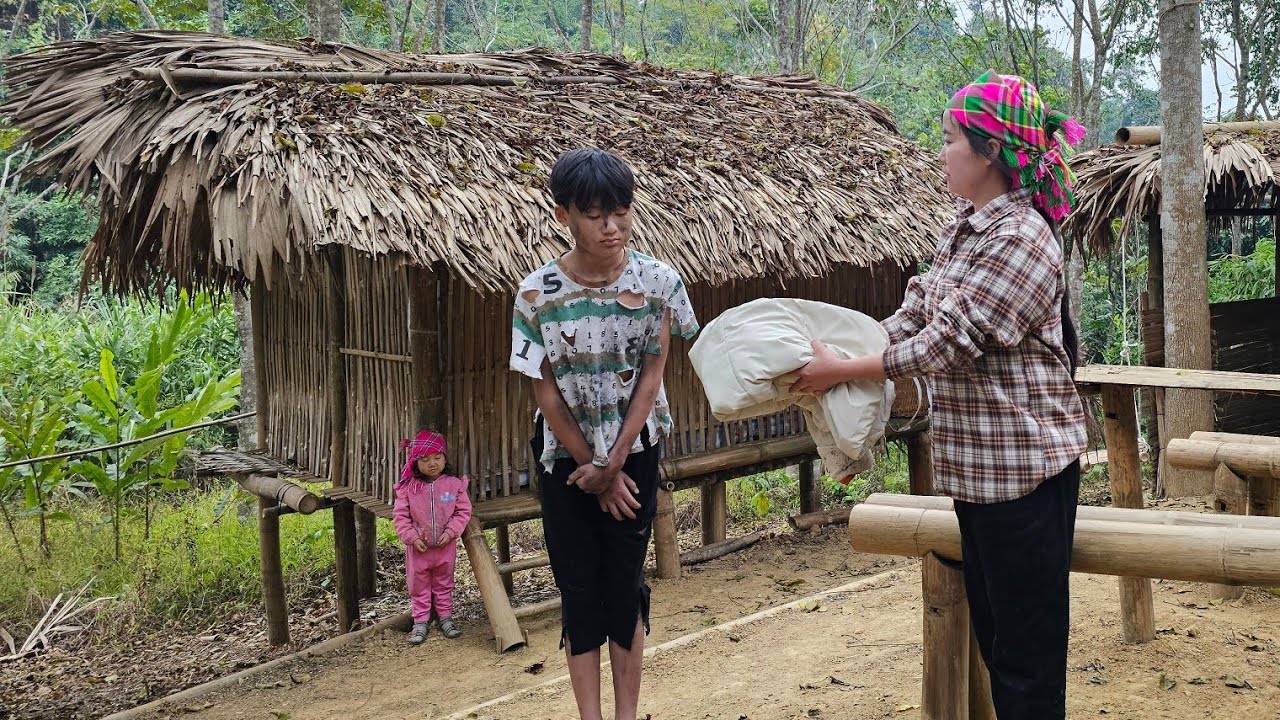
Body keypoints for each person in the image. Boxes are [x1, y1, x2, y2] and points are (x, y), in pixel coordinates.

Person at [792, 70, 1088, 719]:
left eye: (951, 138)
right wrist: (851, 347)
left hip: (1026, 478)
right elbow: (920, 311)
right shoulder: (966, 225)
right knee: (997, 643)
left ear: (989, 151)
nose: (941, 151)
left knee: (1026, 667)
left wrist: (848, 371)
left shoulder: (1022, 239)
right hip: (978, 476)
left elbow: (947, 345)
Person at [509, 147, 698, 720]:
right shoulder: (536, 295)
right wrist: (590, 467)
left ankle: (626, 715)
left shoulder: (657, 283)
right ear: (563, 214)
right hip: (565, 463)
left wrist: (613, 464)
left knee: (624, 582)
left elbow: (652, 377)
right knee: (577, 586)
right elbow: (544, 391)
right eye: (595, 215)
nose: (611, 227)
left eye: (621, 211)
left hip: (634, 454)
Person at [393, 429, 472, 644]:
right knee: (418, 585)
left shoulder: (454, 485)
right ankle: (420, 622)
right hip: (419, 550)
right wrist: (411, 537)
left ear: (445, 458)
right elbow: (400, 516)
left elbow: (463, 511)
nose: (432, 463)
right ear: (415, 462)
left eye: (438, 457)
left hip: (445, 547)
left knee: (444, 583)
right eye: (425, 459)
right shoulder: (409, 488)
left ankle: (446, 618)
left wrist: (451, 532)